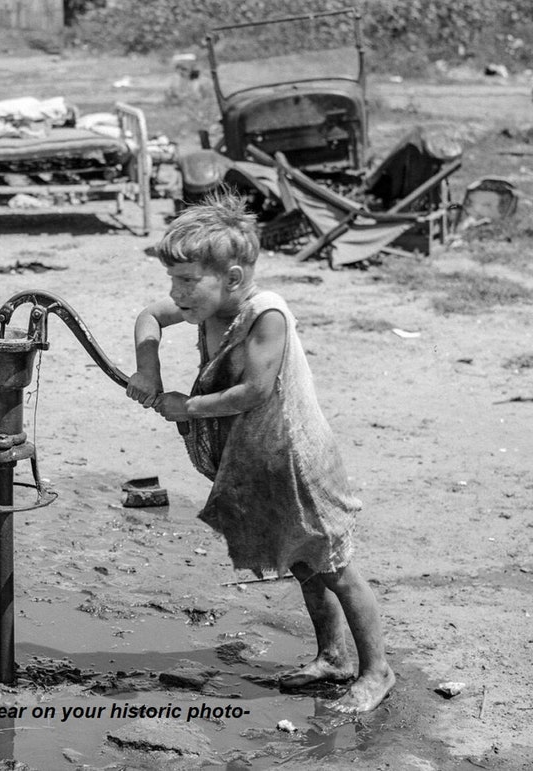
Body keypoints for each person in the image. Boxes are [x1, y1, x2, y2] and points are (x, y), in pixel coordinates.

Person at [126, 195, 394, 713]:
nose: (174, 293)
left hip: (299, 460)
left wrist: (191, 407)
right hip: (259, 457)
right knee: (302, 560)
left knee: (334, 566)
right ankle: (334, 658)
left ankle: (377, 670)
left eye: (186, 281)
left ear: (230, 277)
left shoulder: (264, 315)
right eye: (173, 280)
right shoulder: (199, 306)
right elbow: (148, 317)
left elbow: (256, 390)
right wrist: (148, 370)